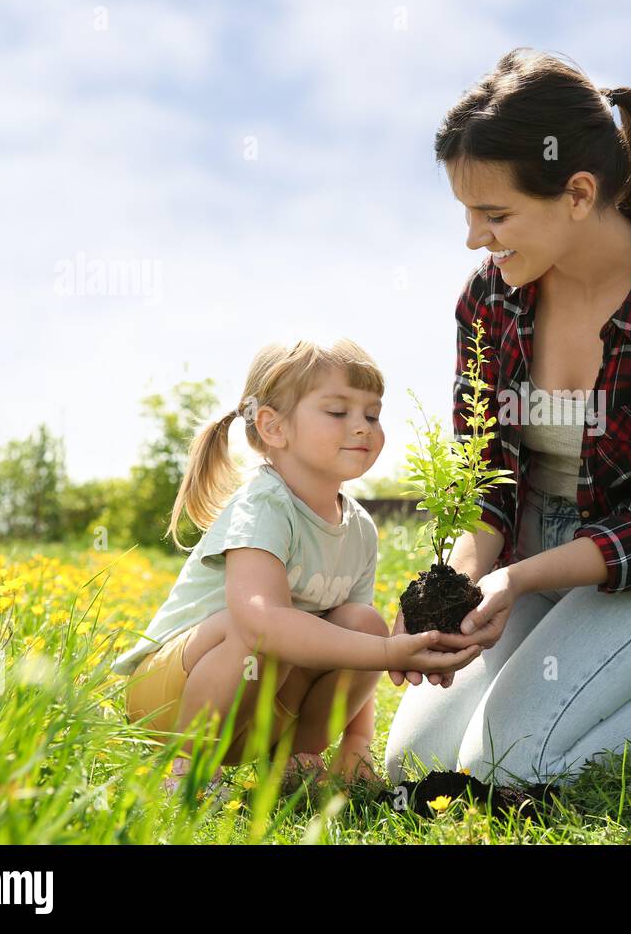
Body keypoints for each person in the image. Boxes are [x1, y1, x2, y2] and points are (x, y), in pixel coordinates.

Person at [384, 48, 631, 791]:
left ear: (577, 193)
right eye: (468, 213)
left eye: (495, 215)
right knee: (415, 768)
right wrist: (464, 580)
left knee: (508, 769)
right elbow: (487, 476)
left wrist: (518, 582)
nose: (474, 238)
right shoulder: (489, 301)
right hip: (528, 556)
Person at [111, 338, 481, 800]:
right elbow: (260, 621)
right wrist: (390, 654)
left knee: (363, 624)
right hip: (168, 699)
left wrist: (358, 740)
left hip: (257, 708)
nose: (363, 427)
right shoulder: (263, 503)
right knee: (261, 630)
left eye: (372, 414)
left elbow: (356, 644)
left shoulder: (360, 528)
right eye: (338, 412)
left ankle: (295, 759)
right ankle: (185, 764)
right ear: (273, 427)